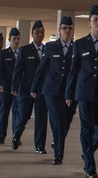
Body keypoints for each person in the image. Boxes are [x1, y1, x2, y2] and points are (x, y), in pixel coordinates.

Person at [67, 5, 98, 178]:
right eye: (95, 20)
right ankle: (90, 167)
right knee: (86, 128)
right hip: (84, 92)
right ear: (89, 22)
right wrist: (69, 94)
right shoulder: (80, 44)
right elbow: (73, 70)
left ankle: (87, 151)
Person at [31, 17, 77, 165]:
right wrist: (34, 88)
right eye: (64, 28)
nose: (67, 31)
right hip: (51, 90)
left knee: (66, 120)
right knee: (57, 120)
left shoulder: (77, 47)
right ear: (59, 30)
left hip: (70, 91)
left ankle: (57, 141)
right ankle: (58, 155)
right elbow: (41, 68)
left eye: (70, 28)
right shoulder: (51, 47)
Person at [12, 20, 48, 153]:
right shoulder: (25, 50)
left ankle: (39, 146)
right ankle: (16, 136)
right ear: (32, 34)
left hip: (42, 90)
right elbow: (18, 70)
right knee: (23, 116)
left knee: (41, 118)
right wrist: (14, 86)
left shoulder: (48, 49)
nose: (40, 35)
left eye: (42, 32)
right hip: (26, 89)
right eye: (37, 32)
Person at [0, 28, 21, 144]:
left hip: (17, 88)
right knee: (3, 112)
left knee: (17, 112)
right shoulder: (3, 54)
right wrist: (0, 84)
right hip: (5, 88)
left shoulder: (22, 53)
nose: (16, 41)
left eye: (18, 39)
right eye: (14, 39)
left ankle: (16, 136)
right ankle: (1, 135)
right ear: (10, 39)